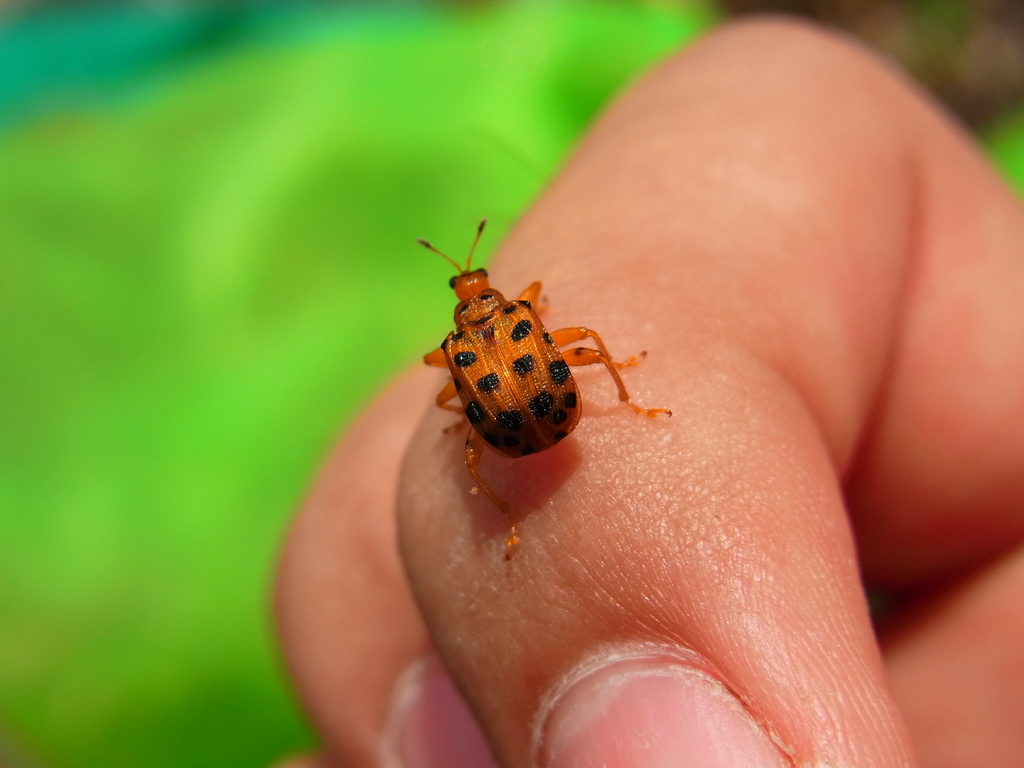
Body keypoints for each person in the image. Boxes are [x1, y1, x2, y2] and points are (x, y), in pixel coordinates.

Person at [274, 17, 1024, 768]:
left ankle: (528, 486)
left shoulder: (461, 351)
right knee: (559, 373)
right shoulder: (511, 320)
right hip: (539, 416)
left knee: (472, 452)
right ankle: (610, 411)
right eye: (467, 283)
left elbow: (455, 391)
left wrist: (473, 419)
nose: (474, 285)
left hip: (519, 427)